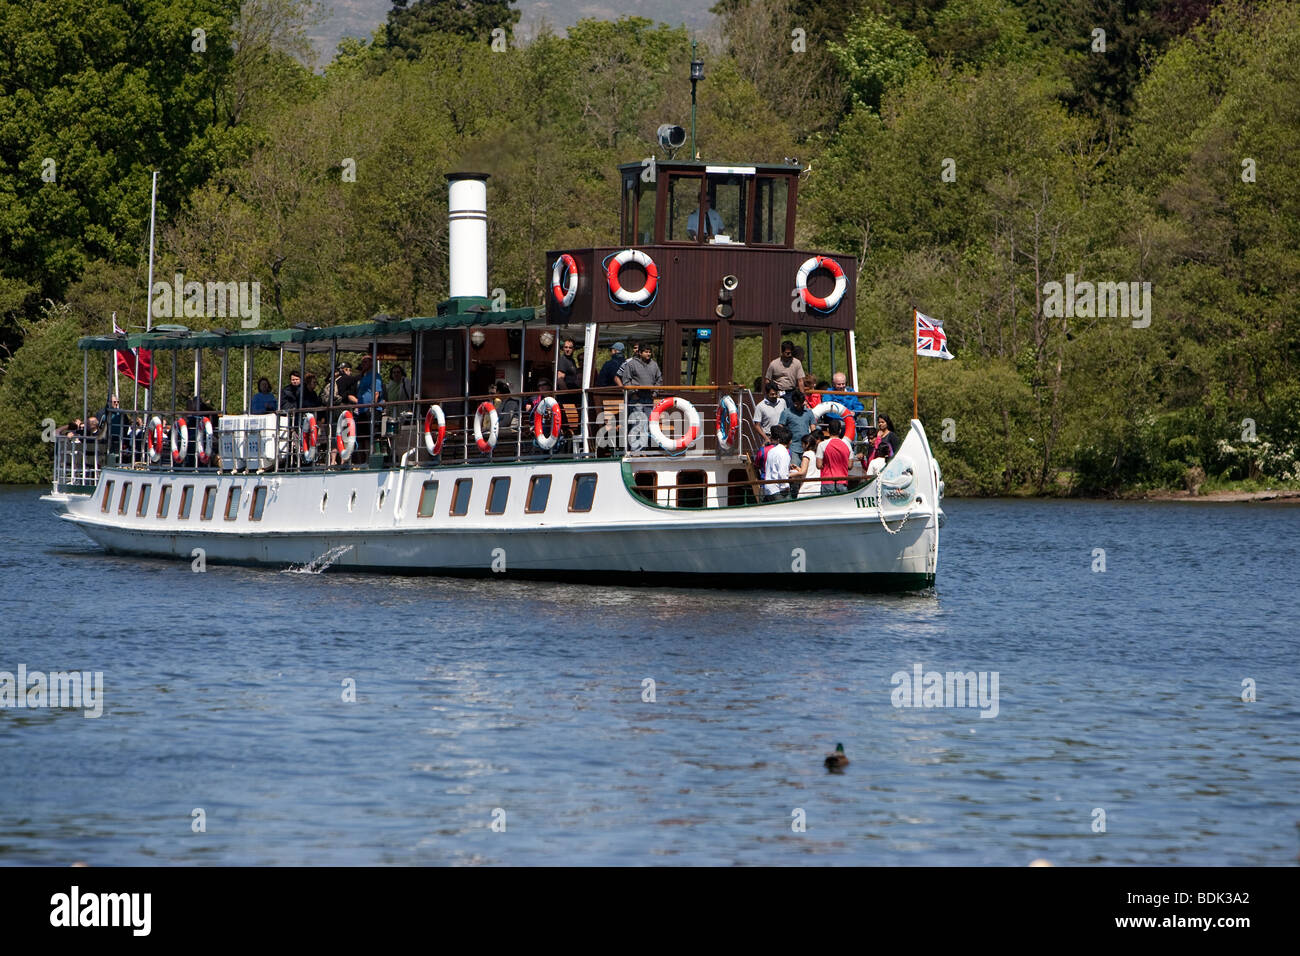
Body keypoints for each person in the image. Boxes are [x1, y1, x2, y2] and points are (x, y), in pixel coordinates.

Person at [615, 343, 662, 445]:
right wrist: (633, 393)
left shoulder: (654, 365)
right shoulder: (631, 364)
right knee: (638, 424)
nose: (648, 354)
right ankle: (636, 450)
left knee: (649, 423)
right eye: (646, 352)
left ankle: (643, 449)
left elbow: (659, 379)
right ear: (640, 353)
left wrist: (655, 393)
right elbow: (626, 380)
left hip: (649, 398)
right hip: (636, 399)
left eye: (649, 352)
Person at [817, 417, 853, 494]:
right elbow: (850, 466)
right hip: (842, 480)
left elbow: (819, 465)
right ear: (840, 430)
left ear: (828, 430)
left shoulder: (822, 445)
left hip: (827, 481)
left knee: (826, 505)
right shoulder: (847, 445)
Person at [778, 390, 817, 455]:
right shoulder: (786, 413)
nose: (796, 405)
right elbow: (780, 428)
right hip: (792, 448)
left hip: (806, 448)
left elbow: (813, 429)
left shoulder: (809, 412)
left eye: (798, 403)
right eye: (795, 403)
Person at [762, 424, 793, 502]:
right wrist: (786, 486)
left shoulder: (771, 451)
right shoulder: (785, 453)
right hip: (778, 489)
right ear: (790, 441)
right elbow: (782, 473)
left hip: (768, 488)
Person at [790, 432, 821, 497]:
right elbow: (810, 470)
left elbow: (803, 472)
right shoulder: (815, 454)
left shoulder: (806, 454)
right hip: (817, 487)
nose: (801, 446)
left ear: (807, 444)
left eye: (802, 444)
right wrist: (797, 468)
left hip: (807, 488)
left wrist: (789, 475)